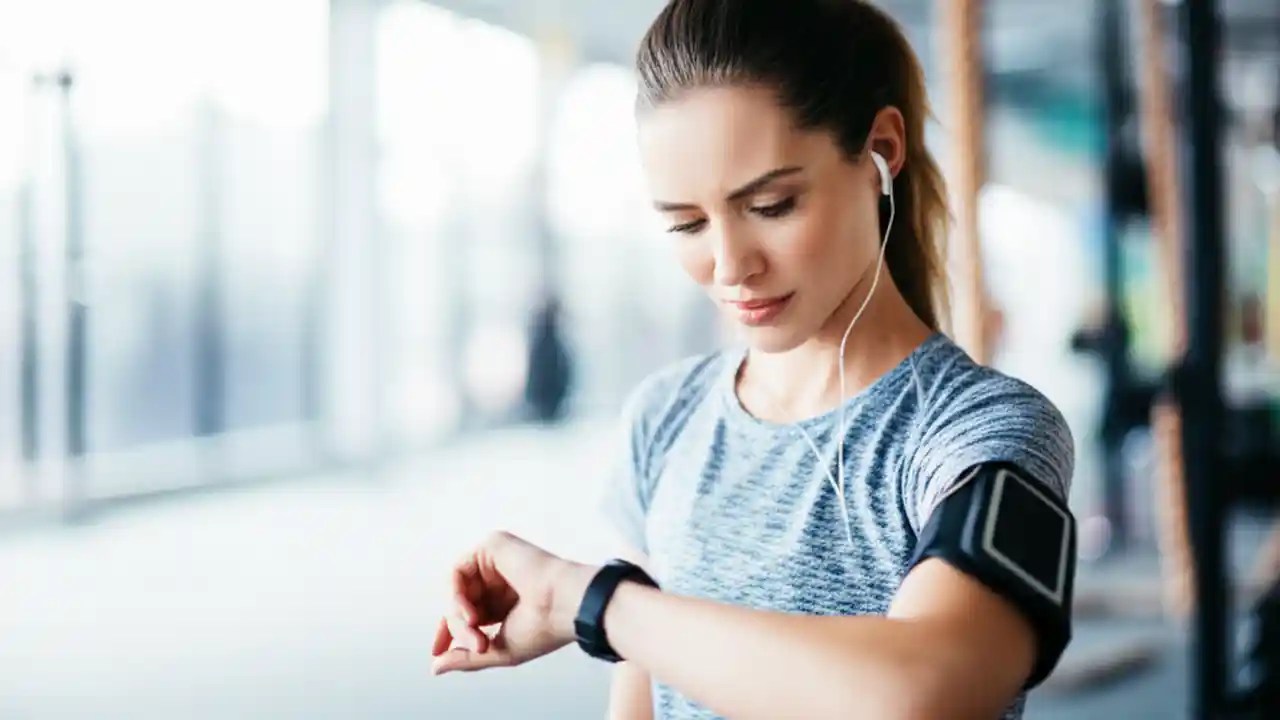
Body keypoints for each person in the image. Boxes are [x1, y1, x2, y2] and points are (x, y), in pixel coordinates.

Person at [431, 2, 1076, 719]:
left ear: (880, 152)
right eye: (686, 222)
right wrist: (611, 608)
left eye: (771, 205)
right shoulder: (666, 415)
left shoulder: (980, 430)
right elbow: (641, 697)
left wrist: (588, 600)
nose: (730, 265)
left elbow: (924, 692)